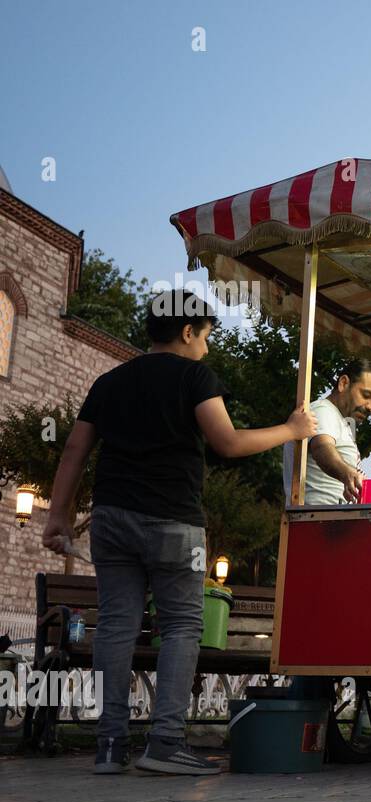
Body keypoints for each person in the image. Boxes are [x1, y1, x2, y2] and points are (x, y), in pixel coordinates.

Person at [43, 291, 316, 775]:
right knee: (183, 627)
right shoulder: (195, 376)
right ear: (188, 331)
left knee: (117, 625)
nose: (207, 349)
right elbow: (227, 441)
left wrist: (57, 516)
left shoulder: (109, 381)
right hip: (173, 522)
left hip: (111, 518)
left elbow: (73, 451)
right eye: (206, 337)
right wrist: (291, 431)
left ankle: (110, 745)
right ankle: (165, 743)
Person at [283, 358, 371, 505]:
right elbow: (322, 447)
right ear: (343, 383)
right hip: (316, 519)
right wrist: (347, 474)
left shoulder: (342, 422)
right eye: (366, 395)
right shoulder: (322, 410)